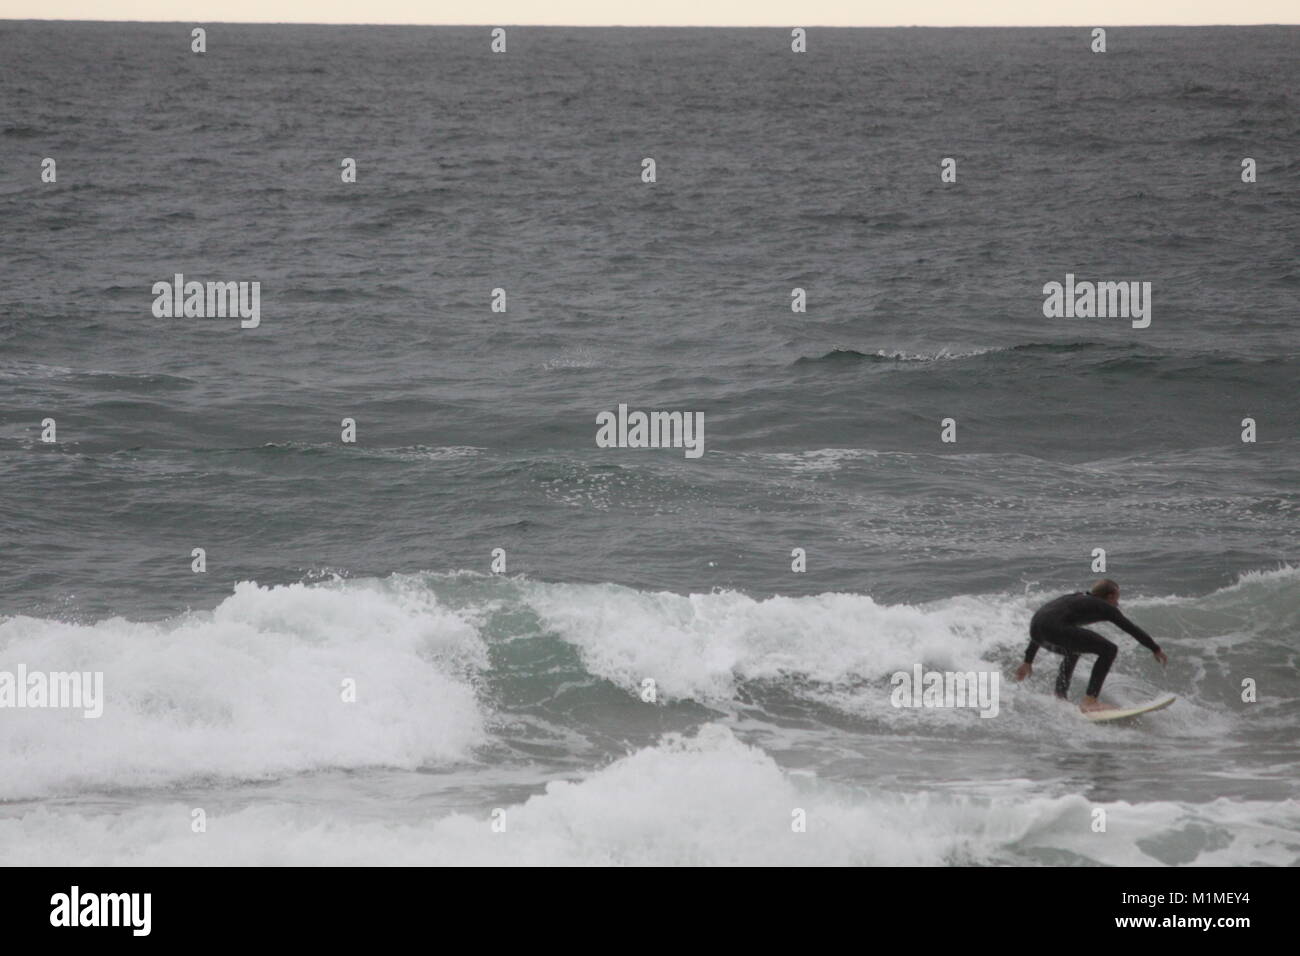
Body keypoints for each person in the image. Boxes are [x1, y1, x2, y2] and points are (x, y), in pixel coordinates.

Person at [1013, 579, 1168, 712]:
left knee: (1073, 651)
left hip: (1036, 628)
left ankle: (1059, 696)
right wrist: (1156, 649)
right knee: (1109, 649)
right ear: (1110, 596)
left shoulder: (1077, 598)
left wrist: (1028, 661)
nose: (1117, 602)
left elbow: (1044, 622)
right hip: (1052, 627)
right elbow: (1131, 628)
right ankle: (1090, 701)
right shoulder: (1104, 606)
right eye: (1117, 598)